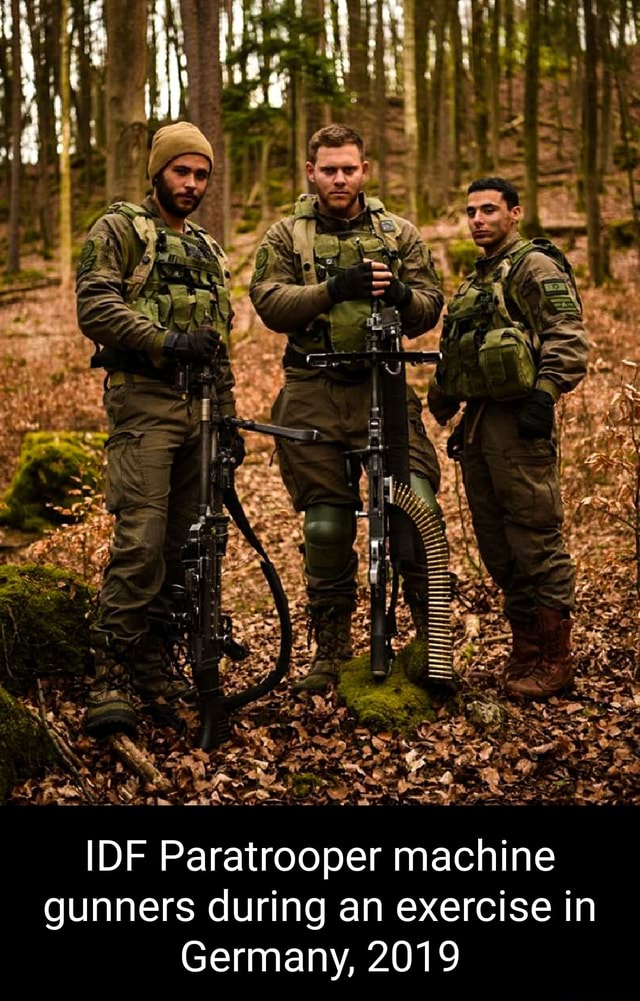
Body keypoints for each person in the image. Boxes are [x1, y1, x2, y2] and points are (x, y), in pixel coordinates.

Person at [249, 124, 444, 693]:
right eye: (329, 169)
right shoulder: (286, 236)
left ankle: (430, 643)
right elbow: (269, 302)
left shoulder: (397, 233)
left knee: (417, 508)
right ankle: (332, 651)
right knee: (326, 525)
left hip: (386, 384)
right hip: (313, 388)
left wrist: (401, 295)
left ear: (365, 171)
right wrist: (334, 289)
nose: (340, 178)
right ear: (311, 172)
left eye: (349, 169)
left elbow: (431, 304)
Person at [76, 121, 242, 737]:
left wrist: (228, 418)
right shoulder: (120, 229)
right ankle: (110, 673)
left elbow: (217, 344)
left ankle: (153, 664)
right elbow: (95, 306)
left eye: (201, 174)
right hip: (144, 404)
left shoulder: (207, 250)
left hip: (203, 411)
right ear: (157, 173)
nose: (192, 183)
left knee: (187, 547)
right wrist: (165, 341)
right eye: (181, 171)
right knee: (141, 541)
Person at [428, 176, 588, 698]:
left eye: (489, 210)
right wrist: (450, 403)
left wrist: (545, 394)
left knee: (534, 537)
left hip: (521, 422)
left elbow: (567, 335)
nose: (478, 220)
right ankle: (525, 649)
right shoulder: (477, 280)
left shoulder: (533, 266)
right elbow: (463, 350)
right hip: (481, 425)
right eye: (471, 211)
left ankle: (556, 657)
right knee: (497, 544)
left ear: (514, 214)